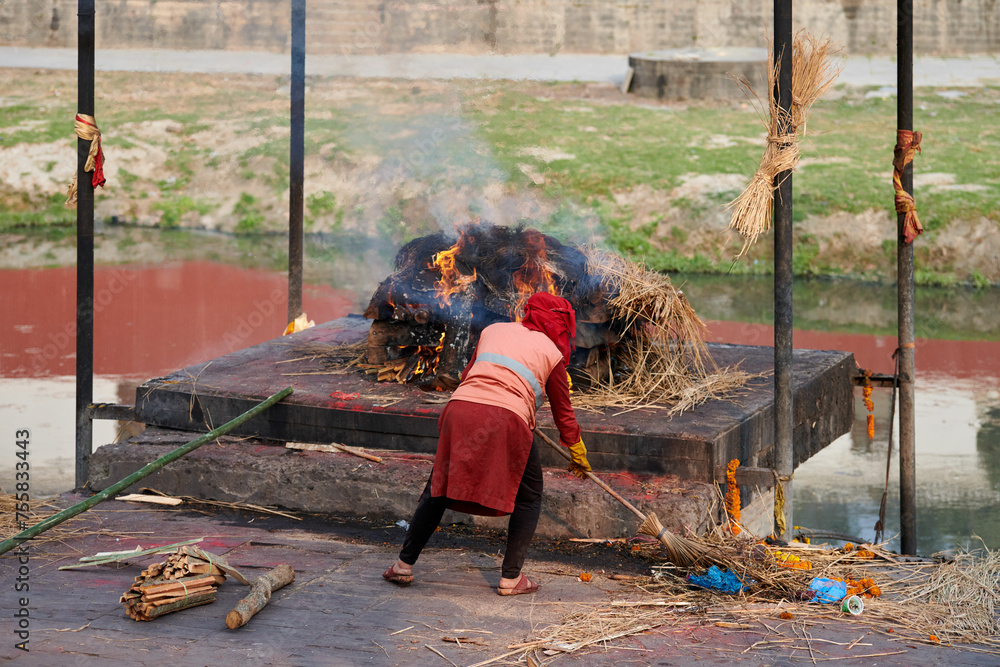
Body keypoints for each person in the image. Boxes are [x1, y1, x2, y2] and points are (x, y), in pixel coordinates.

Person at [382, 292, 591, 595]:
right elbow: (564, 412)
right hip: (507, 419)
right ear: (561, 323)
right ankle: (511, 578)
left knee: (439, 486)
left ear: (529, 312)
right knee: (530, 495)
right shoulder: (552, 353)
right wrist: (576, 451)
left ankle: (403, 566)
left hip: (460, 408)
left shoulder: (493, 330)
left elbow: (469, 375)